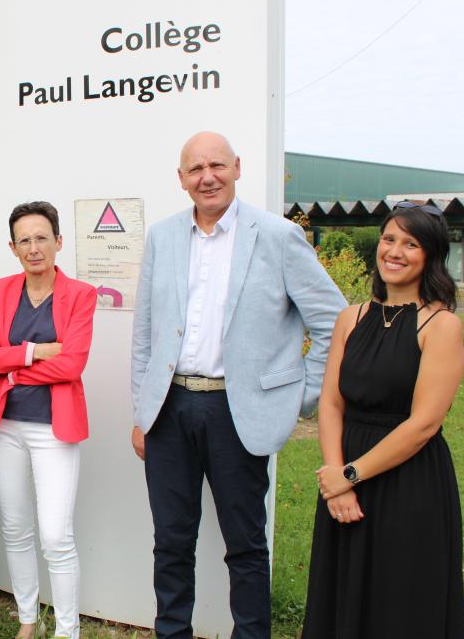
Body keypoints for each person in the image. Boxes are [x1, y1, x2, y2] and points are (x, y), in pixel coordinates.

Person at [130, 132, 345, 638]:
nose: (208, 176)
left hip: (237, 412)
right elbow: (145, 333)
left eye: (218, 165)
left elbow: (336, 323)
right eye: (196, 168)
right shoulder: (162, 237)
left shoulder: (276, 236)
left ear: (238, 168)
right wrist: (143, 412)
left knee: (246, 545)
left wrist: (299, 396)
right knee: (171, 542)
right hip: (168, 410)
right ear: (181, 179)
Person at [302, 201, 464, 638]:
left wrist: (350, 475)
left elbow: (424, 424)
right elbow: (332, 403)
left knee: (401, 598)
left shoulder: (441, 326)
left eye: (410, 244)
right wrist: (337, 476)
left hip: (407, 481)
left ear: (430, 254)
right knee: (342, 593)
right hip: (343, 473)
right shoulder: (350, 318)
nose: (395, 251)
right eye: (389, 239)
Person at [0, 201, 97, 639]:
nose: (33, 247)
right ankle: (28, 619)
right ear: (12, 246)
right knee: (15, 526)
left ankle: (67, 630)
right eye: (24, 239)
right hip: (4, 428)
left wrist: (11, 367)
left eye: (41, 237)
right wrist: (34, 351)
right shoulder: (1, 291)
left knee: (56, 535)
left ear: (58, 242)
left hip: (53, 429)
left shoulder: (80, 294)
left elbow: (72, 365)